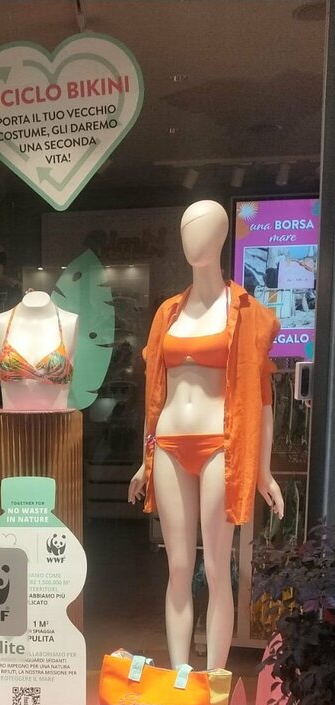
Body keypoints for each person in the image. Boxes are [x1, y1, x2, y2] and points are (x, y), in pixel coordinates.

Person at [128, 200, 284, 670]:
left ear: (221, 237)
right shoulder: (167, 314)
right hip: (169, 444)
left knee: (217, 568)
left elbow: (261, 398)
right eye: (185, 228)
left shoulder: (247, 312)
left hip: (222, 445)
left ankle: (214, 681)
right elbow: (154, 393)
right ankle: (180, 675)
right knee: (177, 567)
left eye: (201, 228)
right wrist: (144, 461)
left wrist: (263, 470)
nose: (191, 237)